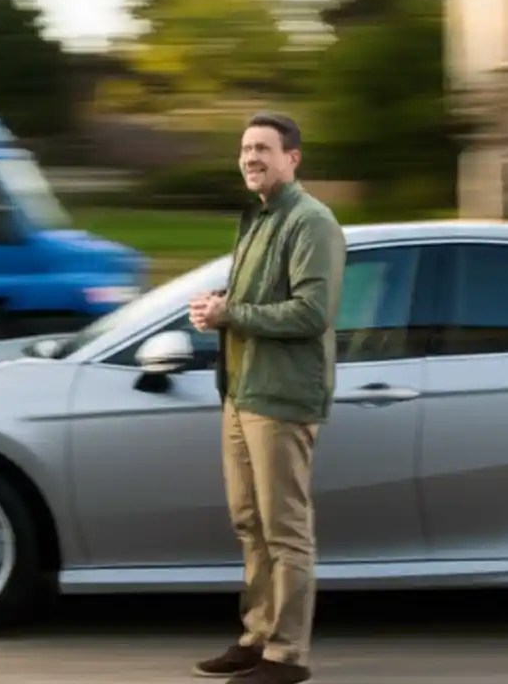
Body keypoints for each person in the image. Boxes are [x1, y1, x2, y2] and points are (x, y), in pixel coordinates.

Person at [187, 112, 346, 684]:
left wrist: (232, 313)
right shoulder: (259, 218)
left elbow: (311, 312)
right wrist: (219, 307)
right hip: (243, 392)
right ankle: (256, 636)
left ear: (292, 158)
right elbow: (258, 299)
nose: (251, 157)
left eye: (263, 149)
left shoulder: (311, 223)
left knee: (285, 530)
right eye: (245, 148)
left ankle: (287, 655)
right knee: (249, 523)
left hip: (281, 399)